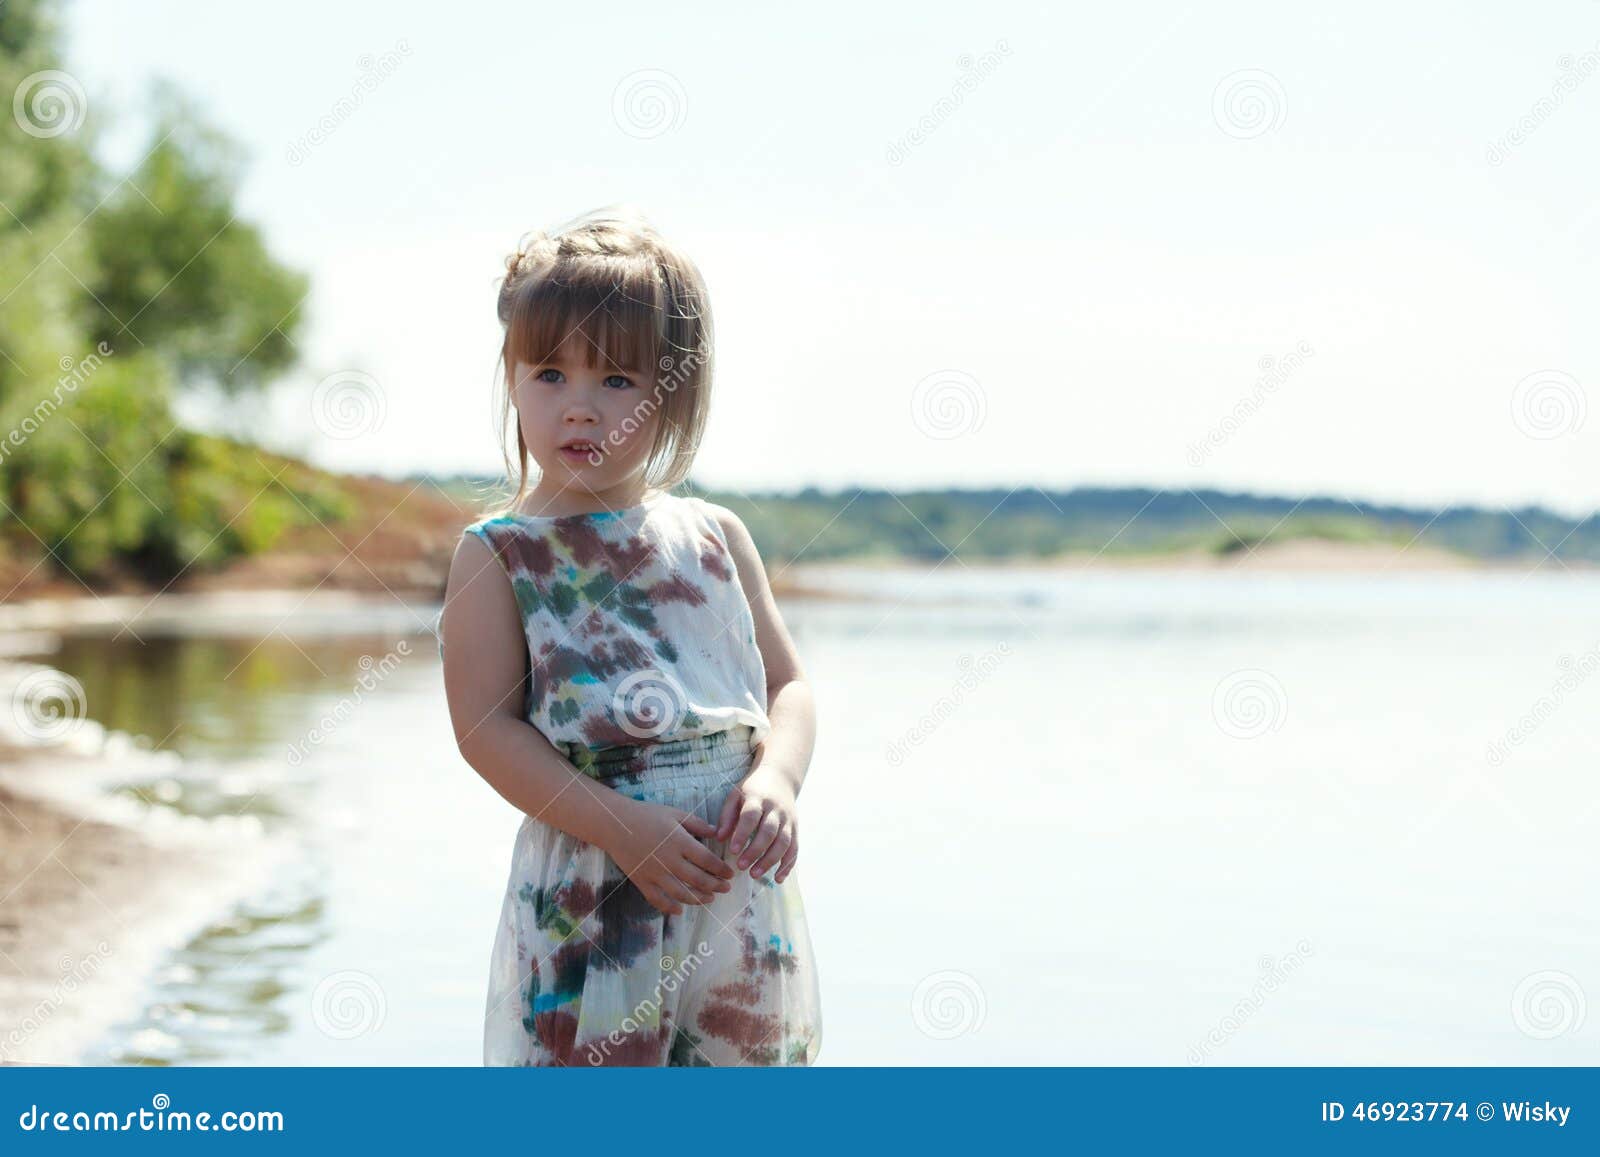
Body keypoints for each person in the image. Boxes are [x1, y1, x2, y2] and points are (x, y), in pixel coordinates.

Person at [438, 206, 822, 1066]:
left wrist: (780, 782)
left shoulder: (716, 536)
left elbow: (787, 687)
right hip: (594, 886)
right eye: (549, 375)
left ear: (674, 390)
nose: (580, 408)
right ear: (511, 377)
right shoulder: (499, 554)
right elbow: (484, 730)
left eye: (617, 381)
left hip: (734, 893)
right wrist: (621, 827)